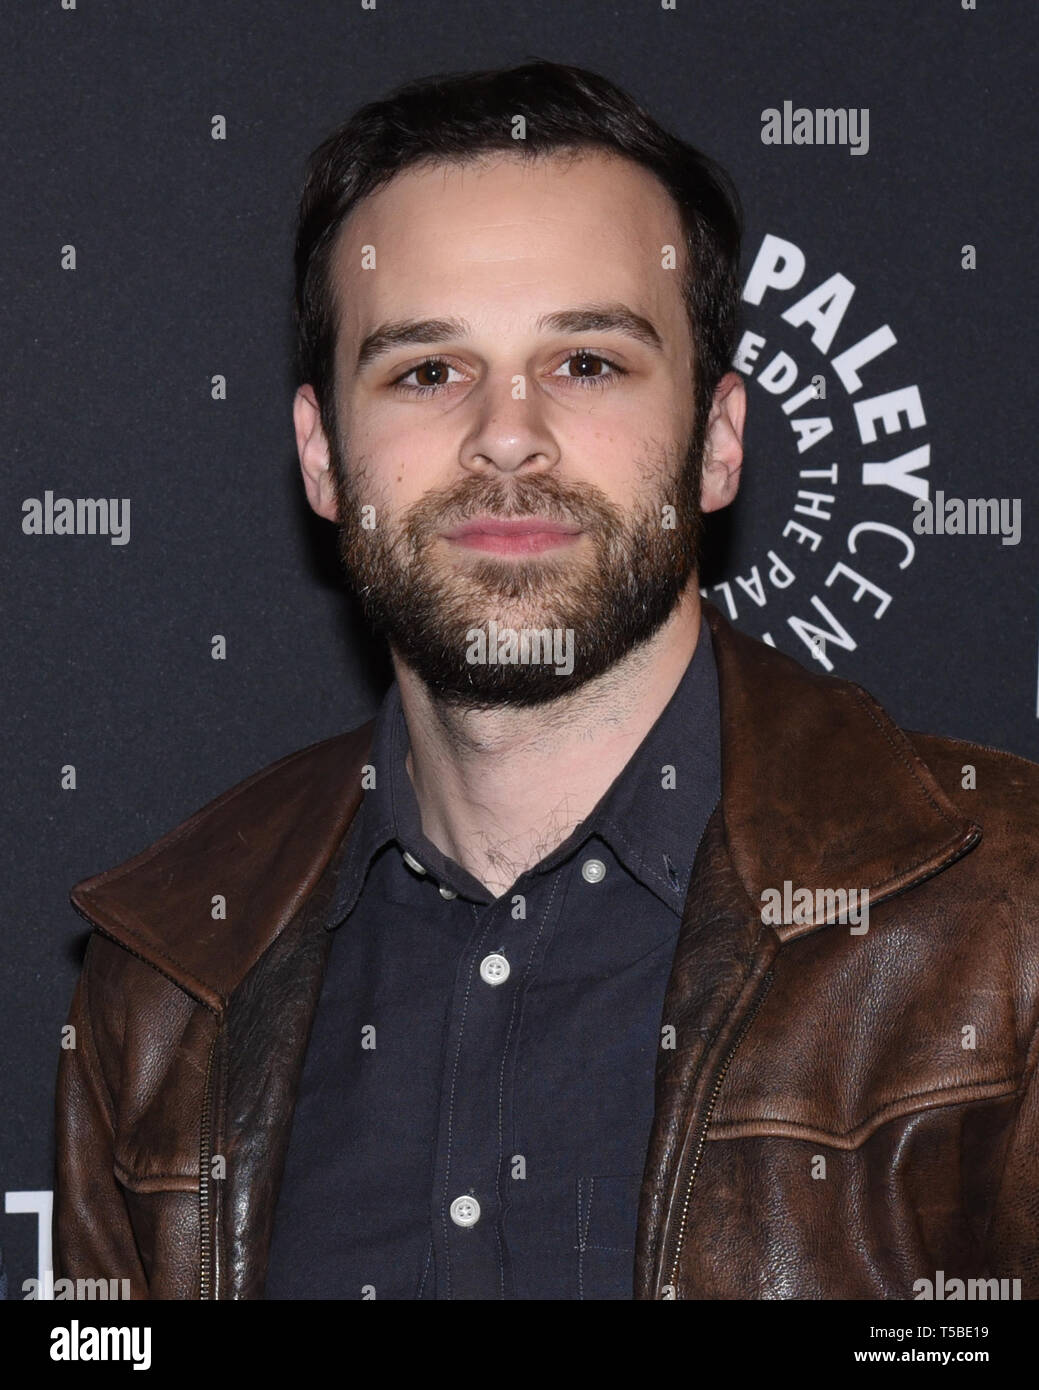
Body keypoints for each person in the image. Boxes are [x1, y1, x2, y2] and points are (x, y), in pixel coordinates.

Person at [54, 61, 1039, 1301]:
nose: (505, 433)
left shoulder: (1009, 928)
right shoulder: (166, 971)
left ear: (719, 442)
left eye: (586, 362)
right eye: (426, 371)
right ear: (321, 456)